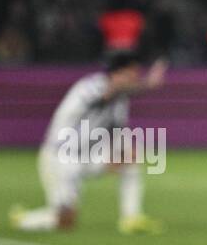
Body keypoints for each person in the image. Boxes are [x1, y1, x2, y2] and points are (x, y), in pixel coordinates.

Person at [10, 53, 166, 233]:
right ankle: (24, 220)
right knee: (65, 222)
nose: (135, 78)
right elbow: (103, 97)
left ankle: (131, 218)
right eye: (132, 73)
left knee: (131, 156)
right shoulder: (90, 86)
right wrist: (147, 84)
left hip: (89, 157)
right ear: (118, 73)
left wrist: (121, 153)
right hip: (60, 159)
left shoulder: (120, 100)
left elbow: (116, 128)